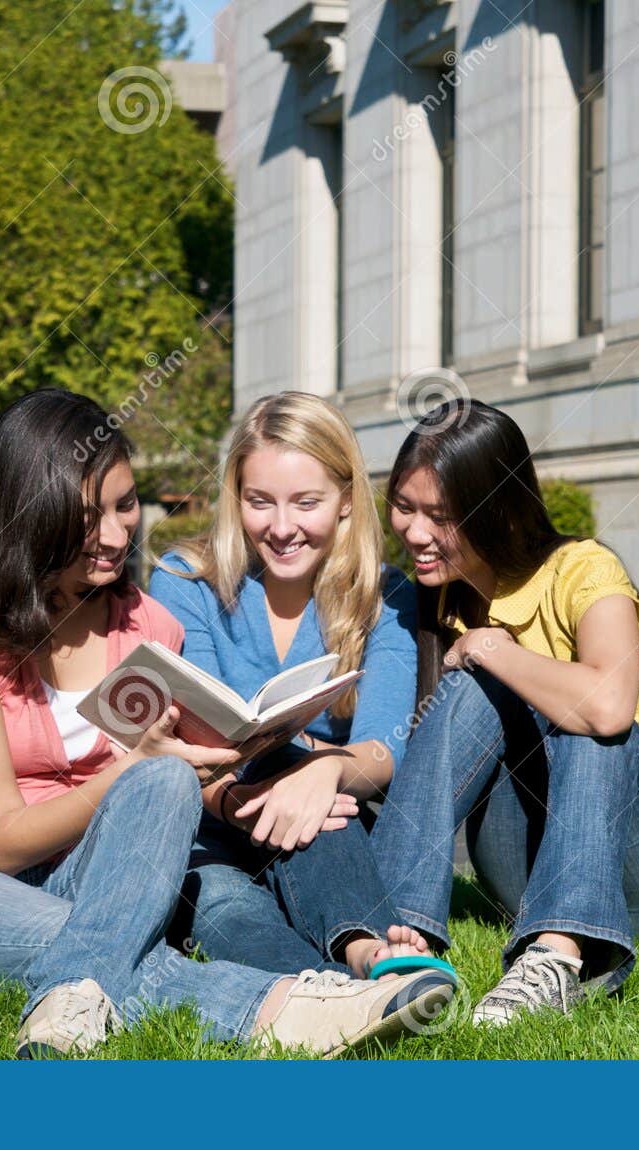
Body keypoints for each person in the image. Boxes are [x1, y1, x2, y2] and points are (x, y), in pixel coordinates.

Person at [0, 389, 453, 1059]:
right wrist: (133, 770)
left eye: (126, 506)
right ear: (33, 513)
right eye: (91, 517)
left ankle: (76, 1004)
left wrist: (227, 787)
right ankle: (295, 1005)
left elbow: (174, 781)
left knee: (167, 792)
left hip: (92, 878)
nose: (119, 535)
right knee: (126, 923)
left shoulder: (145, 623)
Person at [371, 397, 639, 1027]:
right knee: (474, 681)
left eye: (442, 516)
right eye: (404, 508)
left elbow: (608, 709)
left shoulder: (586, 571)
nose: (415, 532)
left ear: (498, 509)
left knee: (587, 709)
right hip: (530, 863)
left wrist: (491, 646)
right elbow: (422, 760)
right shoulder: (440, 603)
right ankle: (400, 932)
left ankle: (559, 956)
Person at [150, 392, 433, 980]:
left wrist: (322, 769)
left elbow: (385, 749)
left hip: (325, 825)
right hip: (209, 825)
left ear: (347, 501)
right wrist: (263, 787)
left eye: (306, 503)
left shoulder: (384, 595)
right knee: (228, 912)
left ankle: (363, 950)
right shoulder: (183, 582)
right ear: (236, 500)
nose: (282, 528)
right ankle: (327, 997)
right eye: (260, 502)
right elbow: (184, 740)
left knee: (302, 775)